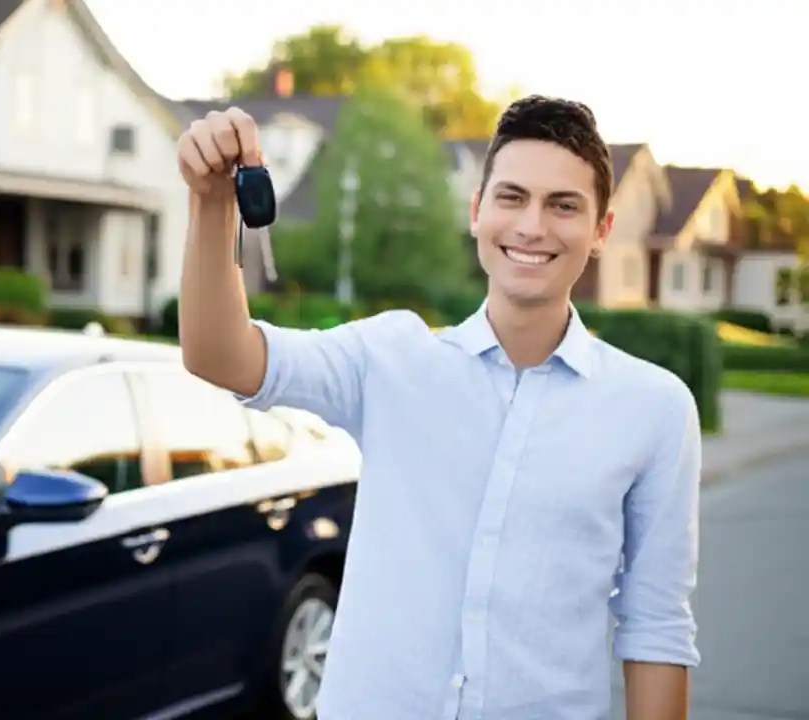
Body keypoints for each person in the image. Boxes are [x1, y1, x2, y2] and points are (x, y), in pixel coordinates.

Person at [176, 95, 700, 719]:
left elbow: (656, 625)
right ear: (477, 212)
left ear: (601, 232)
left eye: (564, 205)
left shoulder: (654, 408)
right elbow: (219, 354)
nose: (532, 226)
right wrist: (212, 203)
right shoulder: (389, 359)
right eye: (512, 197)